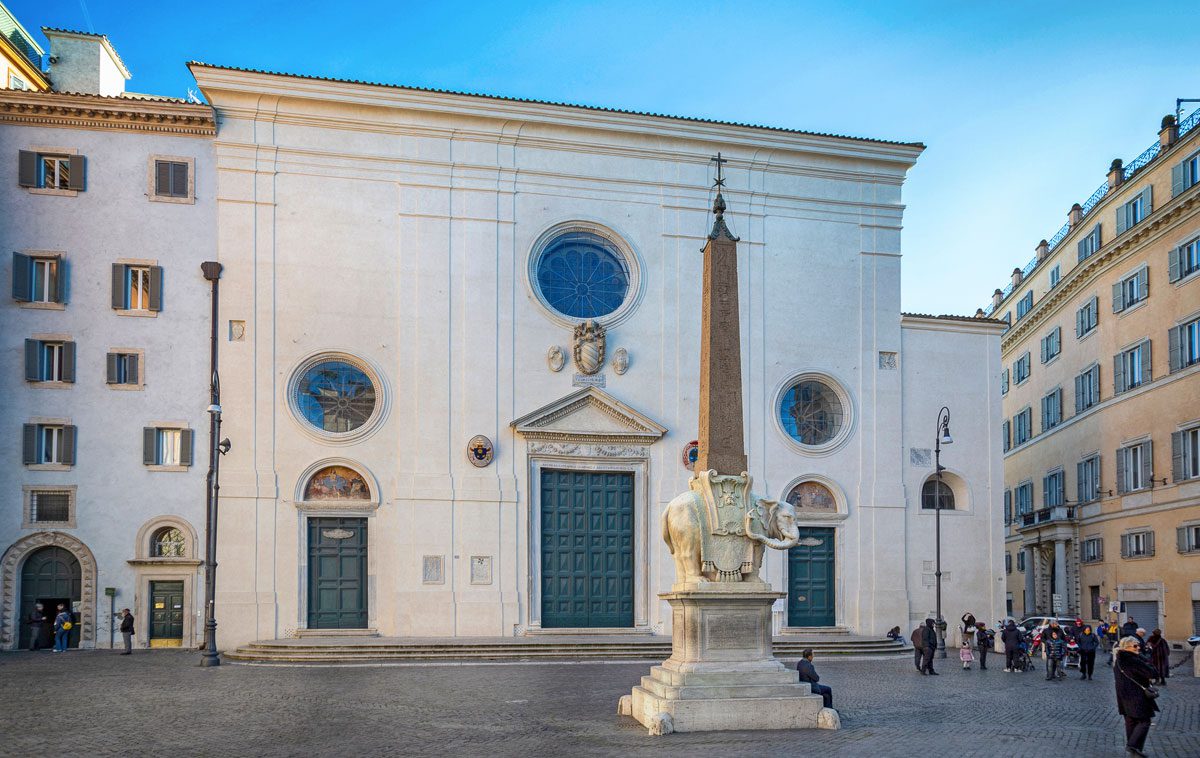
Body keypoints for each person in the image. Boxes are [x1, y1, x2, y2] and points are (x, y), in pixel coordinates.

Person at [1114, 636, 1158, 757]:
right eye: (1135, 646)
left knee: (1131, 721)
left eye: (1138, 645)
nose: (1138, 647)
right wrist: (1145, 658)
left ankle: (1135, 750)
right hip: (1136, 695)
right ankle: (1133, 745)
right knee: (1145, 721)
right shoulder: (1133, 660)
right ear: (1126, 647)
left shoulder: (1119, 659)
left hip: (1123, 696)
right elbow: (1152, 673)